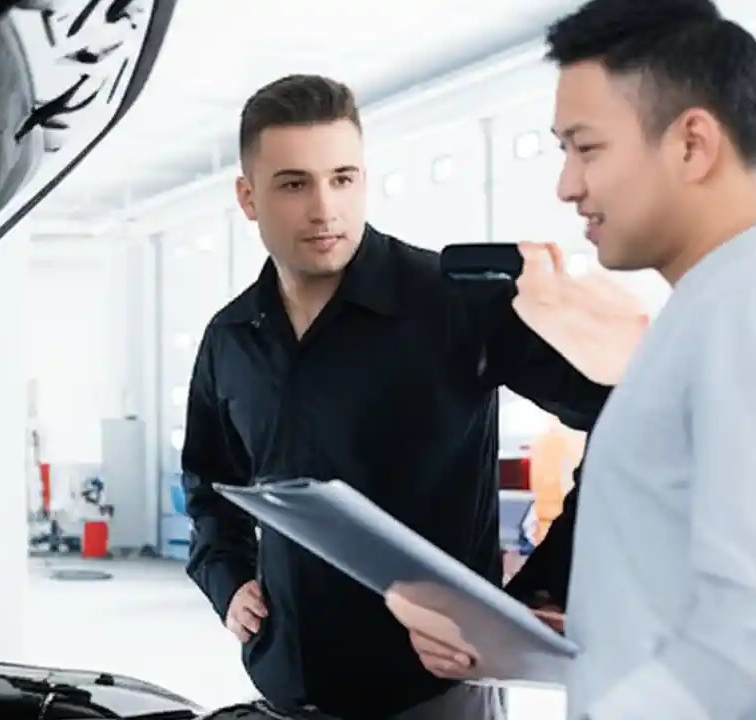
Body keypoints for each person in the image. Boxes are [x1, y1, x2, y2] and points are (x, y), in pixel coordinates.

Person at [389, 1, 756, 718]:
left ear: (691, 143)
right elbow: (711, 600)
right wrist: (560, 636)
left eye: (586, 148)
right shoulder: (714, 308)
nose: (567, 185)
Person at [179, 73, 612, 719]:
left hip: (432, 695)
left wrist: (540, 588)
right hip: (286, 689)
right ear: (248, 197)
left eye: (343, 178)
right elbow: (210, 482)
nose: (325, 208)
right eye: (295, 184)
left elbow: (625, 421)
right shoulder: (230, 337)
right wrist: (228, 577)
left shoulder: (457, 304)